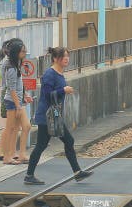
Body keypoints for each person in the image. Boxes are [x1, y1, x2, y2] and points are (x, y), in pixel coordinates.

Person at [25, 46, 92, 185]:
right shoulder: (50, 74)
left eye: (67, 56)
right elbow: (47, 95)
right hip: (47, 116)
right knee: (43, 145)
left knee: (66, 141)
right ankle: (29, 175)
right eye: (63, 56)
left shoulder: (59, 73)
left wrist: (63, 90)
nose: (66, 59)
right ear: (56, 58)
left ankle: (77, 172)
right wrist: (63, 90)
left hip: (54, 115)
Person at [0, 40, 32, 164]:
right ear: (17, 53)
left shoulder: (16, 65)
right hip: (12, 102)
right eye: (23, 51)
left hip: (17, 101)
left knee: (25, 126)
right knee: (11, 129)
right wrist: (18, 106)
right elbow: (11, 89)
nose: (25, 53)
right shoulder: (11, 67)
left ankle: (20, 154)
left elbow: (18, 85)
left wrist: (25, 95)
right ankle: (7, 157)